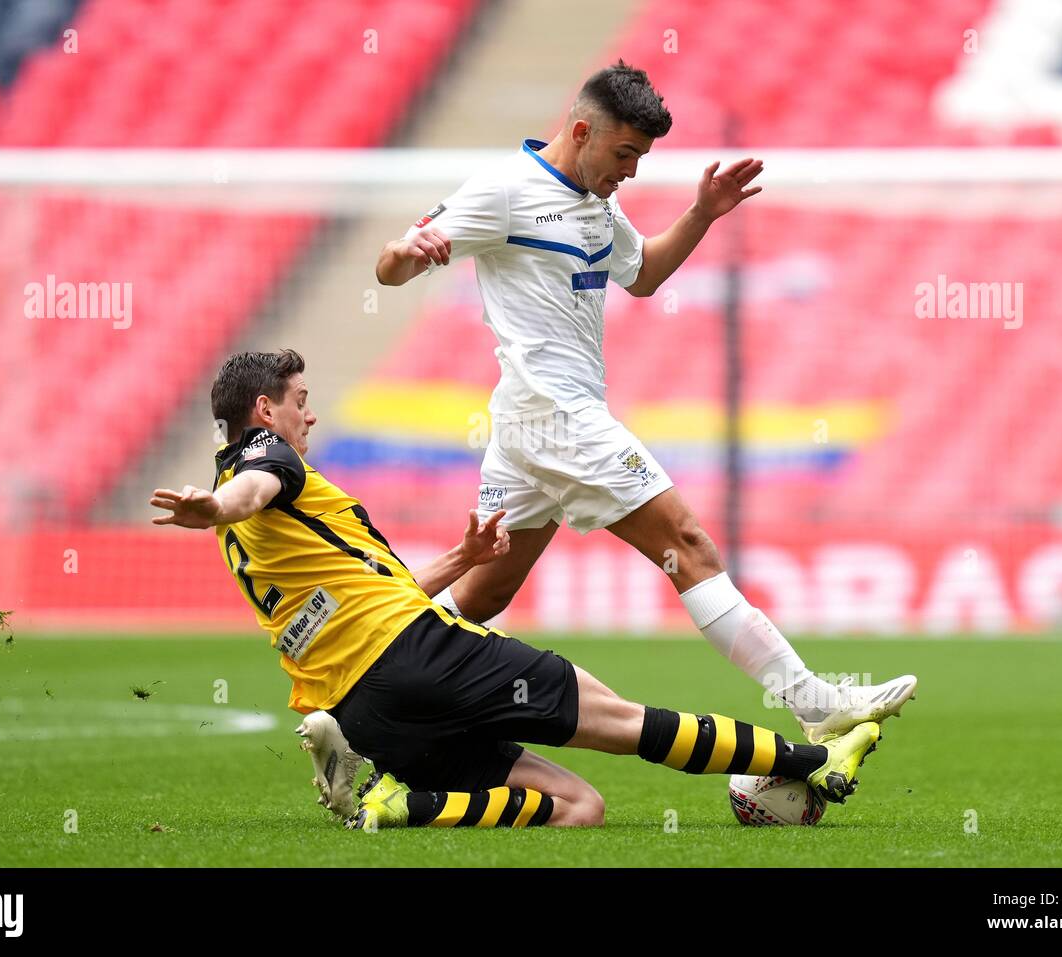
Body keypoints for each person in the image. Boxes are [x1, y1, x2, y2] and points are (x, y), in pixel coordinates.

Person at [375, 59, 917, 742]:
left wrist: (702, 213)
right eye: (624, 153)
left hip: (527, 421)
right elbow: (389, 268)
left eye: (640, 157)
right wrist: (407, 249)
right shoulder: (506, 191)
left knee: (484, 591)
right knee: (688, 544)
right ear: (580, 131)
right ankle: (813, 702)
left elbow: (643, 275)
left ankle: (358, 697)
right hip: (556, 413)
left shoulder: (598, 202)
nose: (629, 170)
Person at [150, 349, 884, 829]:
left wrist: (461, 557)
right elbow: (248, 489)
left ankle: (404, 803)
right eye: (299, 400)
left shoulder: (259, 528)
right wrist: (214, 505)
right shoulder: (260, 463)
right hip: (415, 657)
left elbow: (374, 584)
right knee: (623, 720)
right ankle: (810, 759)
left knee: (580, 808)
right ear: (262, 411)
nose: (307, 414)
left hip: (365, 709)